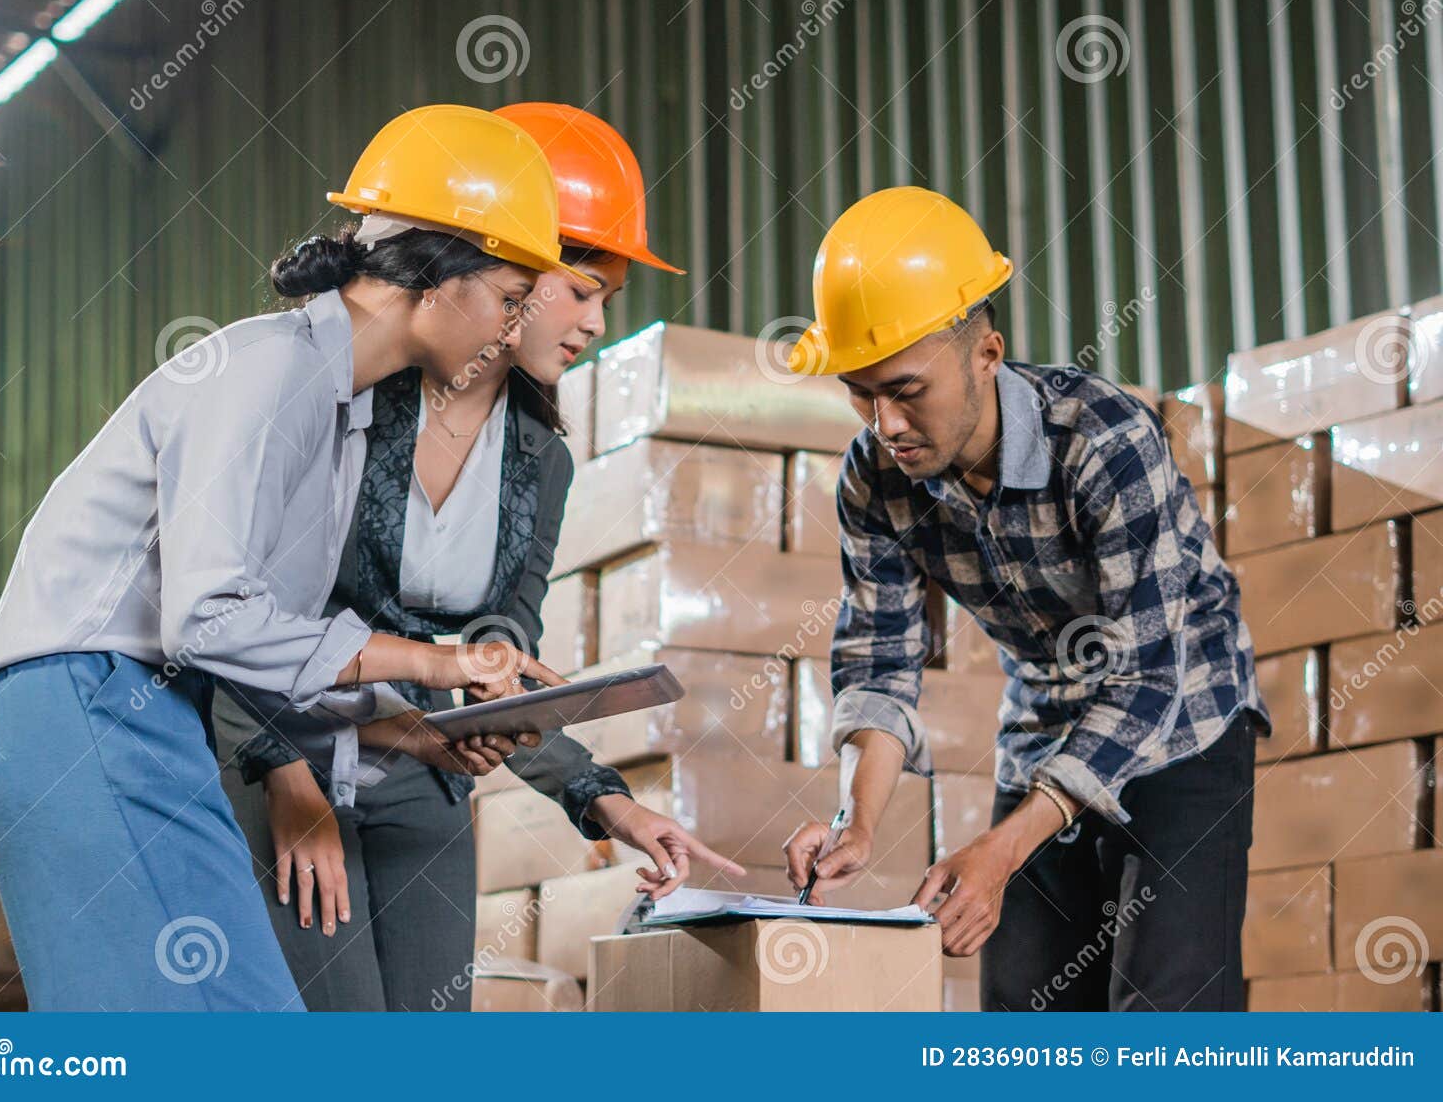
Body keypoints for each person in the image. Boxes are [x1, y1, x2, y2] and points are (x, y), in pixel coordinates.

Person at [0, 104, 584, 1011]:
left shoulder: (339, 420)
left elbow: (274, 657)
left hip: (146, 717)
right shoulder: (261, 370)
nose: (514, 333)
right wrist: (438, 661)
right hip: (82, 705)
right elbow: (209, 620)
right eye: (511, 299)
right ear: (440, 275)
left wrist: (425, 734)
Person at [212, 102, 743, 1012]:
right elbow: (234, 609)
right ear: (506, 263)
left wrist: (611, 807)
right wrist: (289, 784)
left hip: (421, 777)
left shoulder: (542, 462)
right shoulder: (347, 395)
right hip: (279, 759)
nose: (593, 324)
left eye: (607, 300)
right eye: (579, 287)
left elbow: (501, 664)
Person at [780, 187, 1266, 1012]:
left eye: (905, 388)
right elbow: (880, 660)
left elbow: (1145, 677)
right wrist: (856, 820)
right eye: (861, 393)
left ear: (986, 353)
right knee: (1024, 1023)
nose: (885, 422)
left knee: (1162, 1021)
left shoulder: (1105, 441)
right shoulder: (874, 480)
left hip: (1184, 720)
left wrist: (1001, 851)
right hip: (1046, 719)